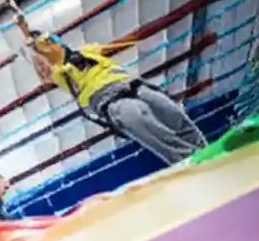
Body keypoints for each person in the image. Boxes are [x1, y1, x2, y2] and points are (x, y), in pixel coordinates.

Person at [15, 13, 205, 164]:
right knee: (139, 118)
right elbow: (37, 58)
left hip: (129, 83)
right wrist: (25, 30)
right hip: (109, 100)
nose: (48, 46)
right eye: (43, 46)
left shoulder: (87, 50)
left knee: (168, 110)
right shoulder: (59, 74)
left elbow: (114, 47)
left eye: (49, 42)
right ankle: (185, 157)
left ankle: (202, 147)